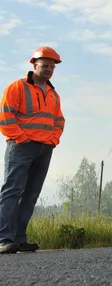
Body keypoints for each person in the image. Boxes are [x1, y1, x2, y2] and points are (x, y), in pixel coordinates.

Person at [0, 47, 65, 254]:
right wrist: (21, 138)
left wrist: (53, 140)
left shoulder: (53, 94)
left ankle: (19, 238)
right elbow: (5, 114)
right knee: (12, 191)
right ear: (34, 65)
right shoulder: (17, 87)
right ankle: (4, 238)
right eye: (45, 65)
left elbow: (59, 120)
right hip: (20, 147)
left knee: (31, 194)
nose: (49, 69)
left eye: (52, 66)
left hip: (44, 149)